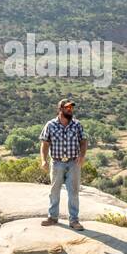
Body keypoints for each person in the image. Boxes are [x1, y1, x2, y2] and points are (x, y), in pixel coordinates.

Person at [39, 97, 87, 229]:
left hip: (73, 163)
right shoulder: (50, 125)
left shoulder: (77, 125)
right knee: (54, 191)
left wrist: (82, 156)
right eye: (67, 108)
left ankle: (74, 221)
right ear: (60, 109)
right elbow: (44, 144)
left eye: (71, 108)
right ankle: (53, 218)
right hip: (57, 163)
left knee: (74, 192)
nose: (70, 110)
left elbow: (83, 141)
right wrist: (44, 160)